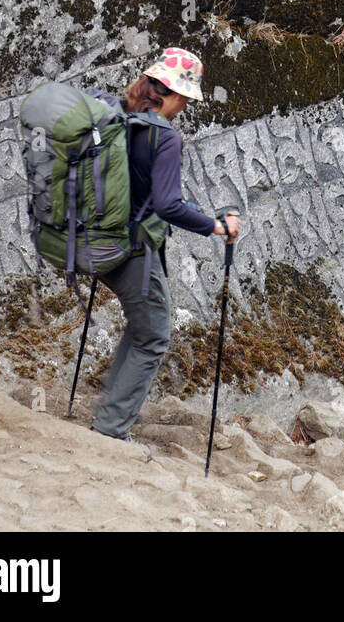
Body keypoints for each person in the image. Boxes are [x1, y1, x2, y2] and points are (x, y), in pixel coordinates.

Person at [90, 46, 241, 441]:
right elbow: (166, 204)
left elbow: (148, 190)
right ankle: (110, 429)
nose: (186, 107)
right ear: (174, 94)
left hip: (93, 238)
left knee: (141, 327)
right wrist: (216, 227)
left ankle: (113, 409)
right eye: (187, 99)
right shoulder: (165, 137)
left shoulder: (121, 116)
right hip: (131, 250)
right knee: (154, 336)